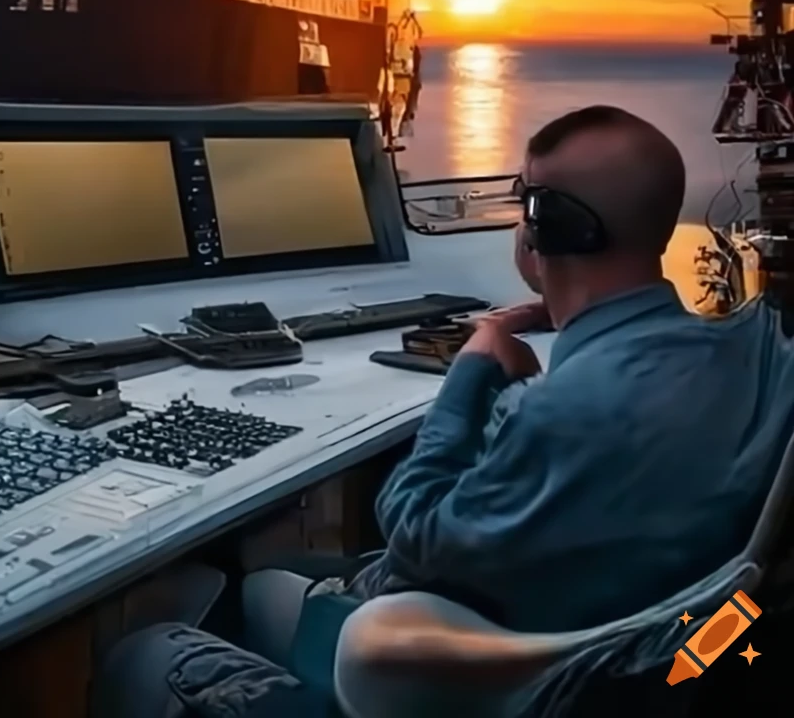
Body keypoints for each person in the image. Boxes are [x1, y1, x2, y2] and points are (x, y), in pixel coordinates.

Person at [104, 105, 794, 714]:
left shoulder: (559, 412)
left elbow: (412, 526)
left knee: (149, 649)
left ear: (541, 229)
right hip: (662, 662)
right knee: (270, 579)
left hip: (515, 676)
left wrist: (475, 366)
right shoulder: (757, 353)